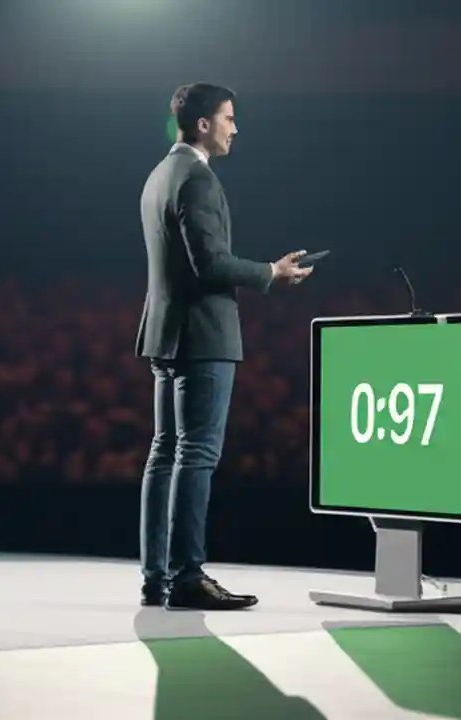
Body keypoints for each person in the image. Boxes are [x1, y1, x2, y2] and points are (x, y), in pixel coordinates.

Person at [135, 82, 313, 610]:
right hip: (201, 336)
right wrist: (270, 272)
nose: (237, 128)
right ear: (205, 124)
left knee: (164, 454)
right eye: (230, 118)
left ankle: (155, 577)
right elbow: (209, 265)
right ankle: (188, 576)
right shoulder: (198, 179)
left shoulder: (158, 176)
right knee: (195, 455)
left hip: (165, 333)